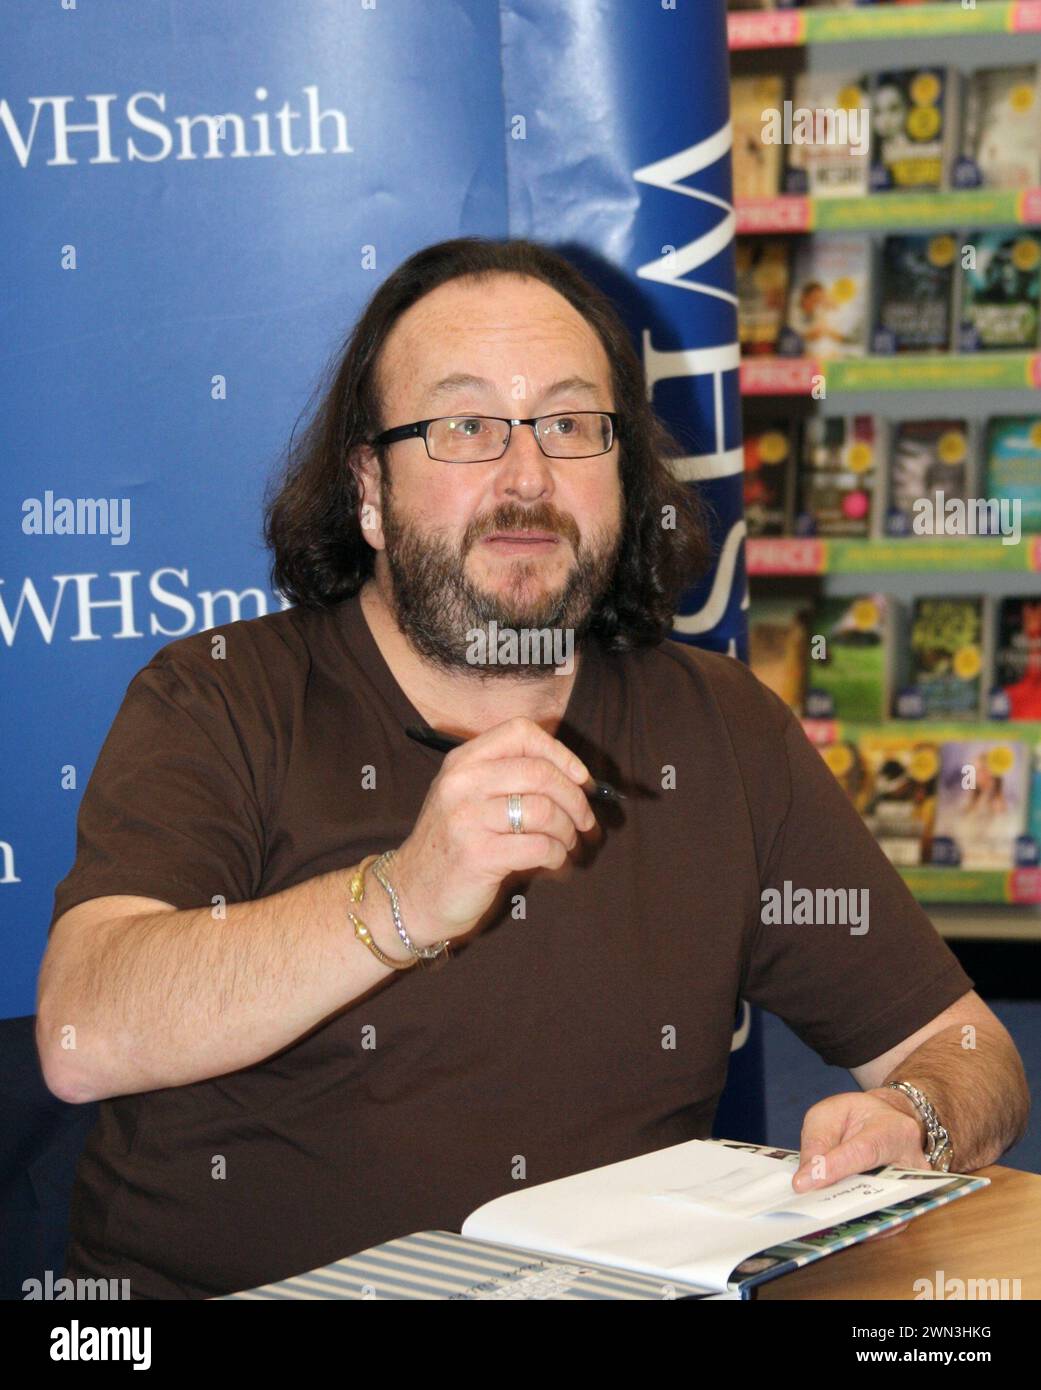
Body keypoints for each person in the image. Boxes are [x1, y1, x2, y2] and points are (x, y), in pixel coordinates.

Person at [36, 237, 1028, 1300]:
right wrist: (404, 895)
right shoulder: (222, 696)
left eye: (568, 425)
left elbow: (969, 1046)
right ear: (369, 487)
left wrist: (915, 1116)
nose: (526, 477)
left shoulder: (721, 728)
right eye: (464, 427)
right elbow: (83, 1035)